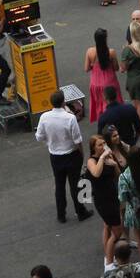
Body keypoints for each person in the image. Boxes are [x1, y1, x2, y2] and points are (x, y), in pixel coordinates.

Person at [34, 90, 92, 223]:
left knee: (59, 186)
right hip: (71, 155)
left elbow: (39, 137)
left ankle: (61, 215)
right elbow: (77, 141)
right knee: (75, 185)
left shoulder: (44, 117)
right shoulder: (70, 118)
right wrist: (81, 155)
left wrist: (49, 141)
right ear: (63, 102)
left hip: (55, 156)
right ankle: (80, 211)